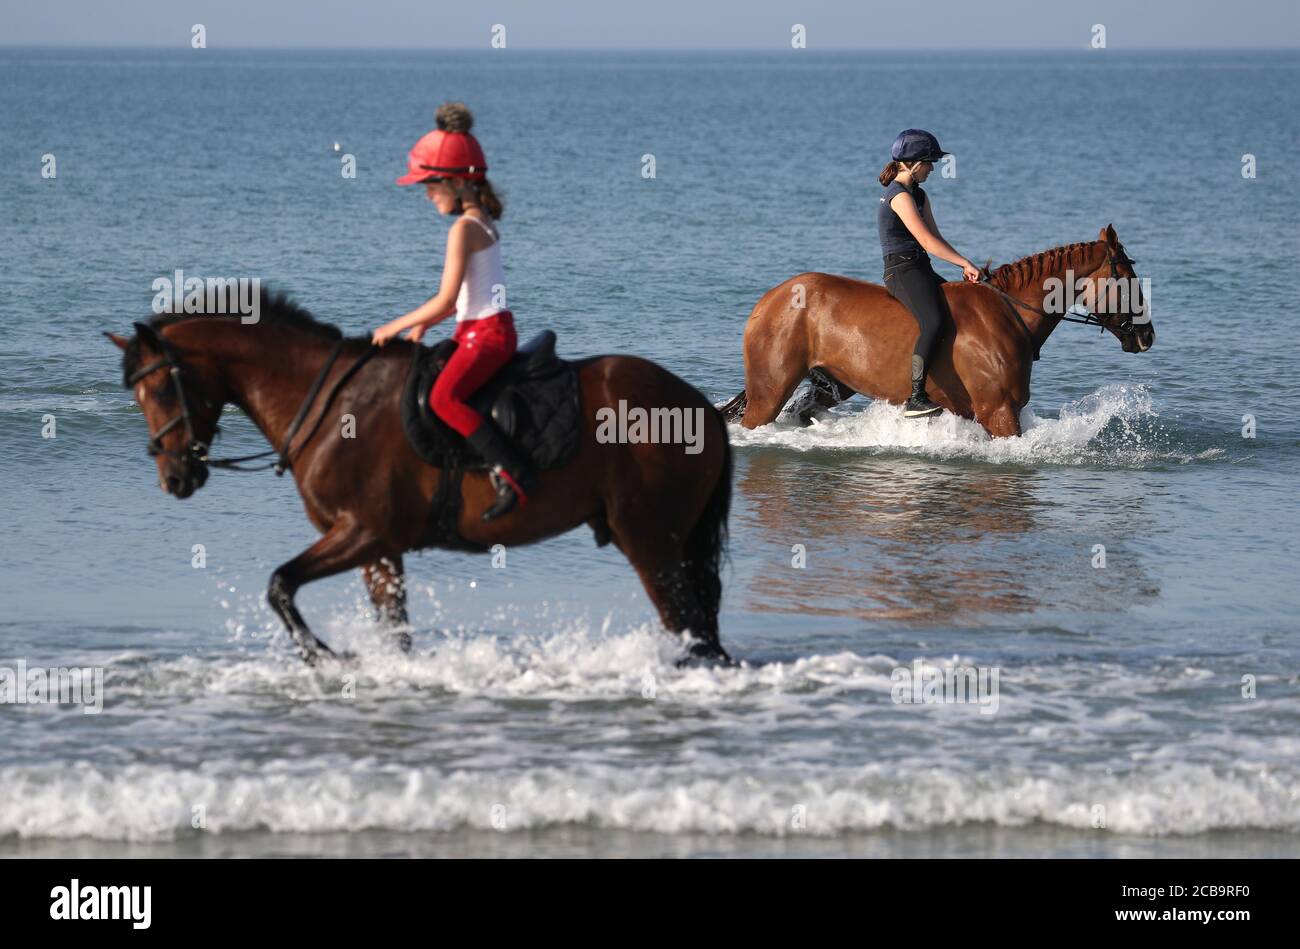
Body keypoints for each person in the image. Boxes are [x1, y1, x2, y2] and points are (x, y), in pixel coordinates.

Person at [373, 102, 535, 520]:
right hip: (483, 327)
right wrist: (424, 324)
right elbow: (462, 301)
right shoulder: (481, 221)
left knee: (444, 398)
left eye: (431, 184)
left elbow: (446, 300)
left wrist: (393, 326)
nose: (426, 194)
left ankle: (511, 470)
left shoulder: (463, 229)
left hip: (486, 334)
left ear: (457, 182)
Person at [877, 129, 981, 418]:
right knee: (933, 321)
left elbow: (937, 236)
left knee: (958, 312)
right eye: (929, 162)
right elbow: (926, 241)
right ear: (911, 163)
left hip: (922, 268)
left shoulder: (919, 195)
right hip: (901, 271)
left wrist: (962, 263)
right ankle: (916, 396)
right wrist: (963, 263)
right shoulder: (898, 196)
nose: (934, 168)